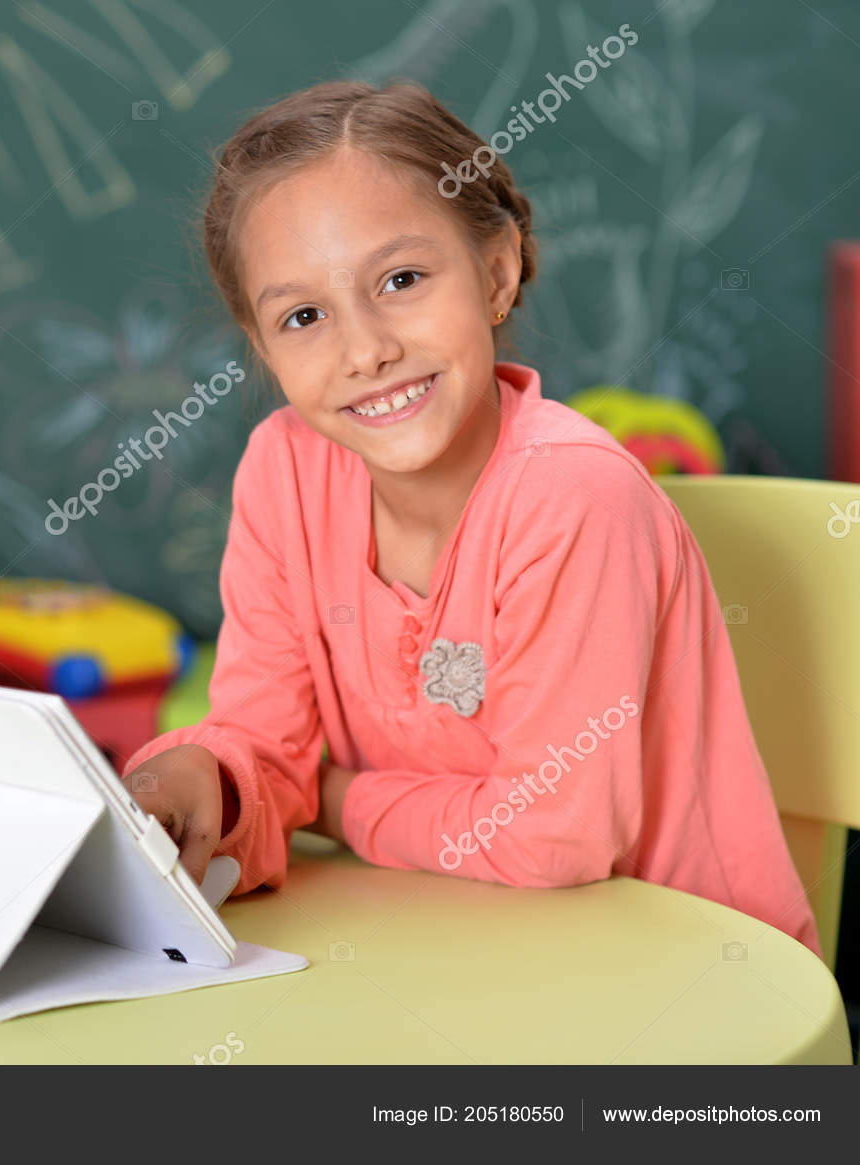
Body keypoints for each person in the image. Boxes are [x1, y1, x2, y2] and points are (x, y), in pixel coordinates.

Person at [122, 80, 820, 957]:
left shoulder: (573, 498)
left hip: (686, 983)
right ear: (261, 348)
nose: (366, 349)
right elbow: (264, 740)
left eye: (402, 279)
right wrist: (210, 776)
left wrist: (331, 796)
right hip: (454, 949)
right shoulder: (285, 471)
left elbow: (551, 835)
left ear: (496, 272)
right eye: (303, 316)